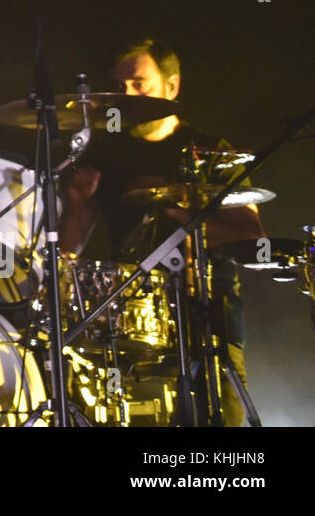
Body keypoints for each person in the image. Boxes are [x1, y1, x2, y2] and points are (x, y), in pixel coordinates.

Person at [58, 39, 264, 426]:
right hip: (130, 329)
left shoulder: (211, 151)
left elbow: (251, 240)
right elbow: (69, 253)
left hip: (209, 323)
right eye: (120, 88)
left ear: (172, 86)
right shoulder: (104, 156)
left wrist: (172, 203)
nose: (128, 95)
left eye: (139, 83)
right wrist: (75, 203)